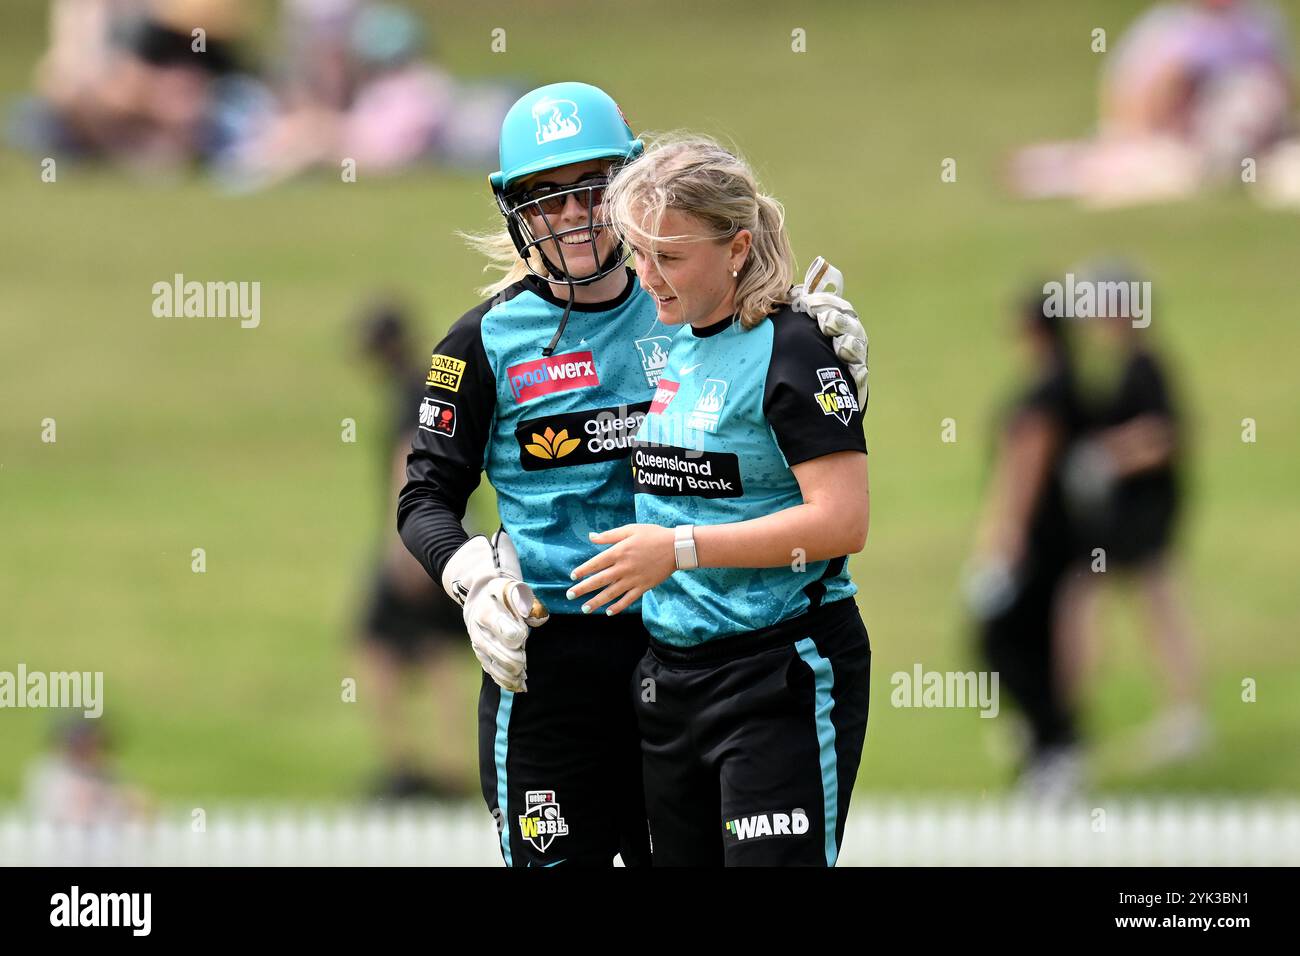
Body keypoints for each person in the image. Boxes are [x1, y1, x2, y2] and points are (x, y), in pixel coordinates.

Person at [398, 84, 869, 866]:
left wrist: (831, 379)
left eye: (592, 189)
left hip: (677, 644)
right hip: (549, 658)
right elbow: (424, 496)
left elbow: (776, 438)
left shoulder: (688, 301)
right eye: (546, 199)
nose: (573, 215)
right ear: (515, 211)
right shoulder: (483, 342)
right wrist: (473, 580)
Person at [568, 135, 871, 866]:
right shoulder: (678, 337)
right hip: (670, 680)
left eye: (669, 258)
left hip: (778, 672)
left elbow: (843, 521)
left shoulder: (794, 347)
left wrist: (679, 551)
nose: (646, 278)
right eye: (639, 254)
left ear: (737, 248)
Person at [966, 283, 1086, 798]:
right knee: (1039, 643)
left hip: (1037, 541)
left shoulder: (1046, 395)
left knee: (1000, 641)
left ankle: (1053, 741)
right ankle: (1051, 743)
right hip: (1064, 537)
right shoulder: (1072, 385)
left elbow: (1026, 468)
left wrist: (1005, 535)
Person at [353, 299, 475, 800]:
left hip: (418, 540)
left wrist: (401, 546)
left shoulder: (408, 390)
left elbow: (408, 465)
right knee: (436, 648)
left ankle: (405, 767)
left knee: (377, 646)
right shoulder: (428, 382)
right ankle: (451, 767)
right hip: (452, 533)